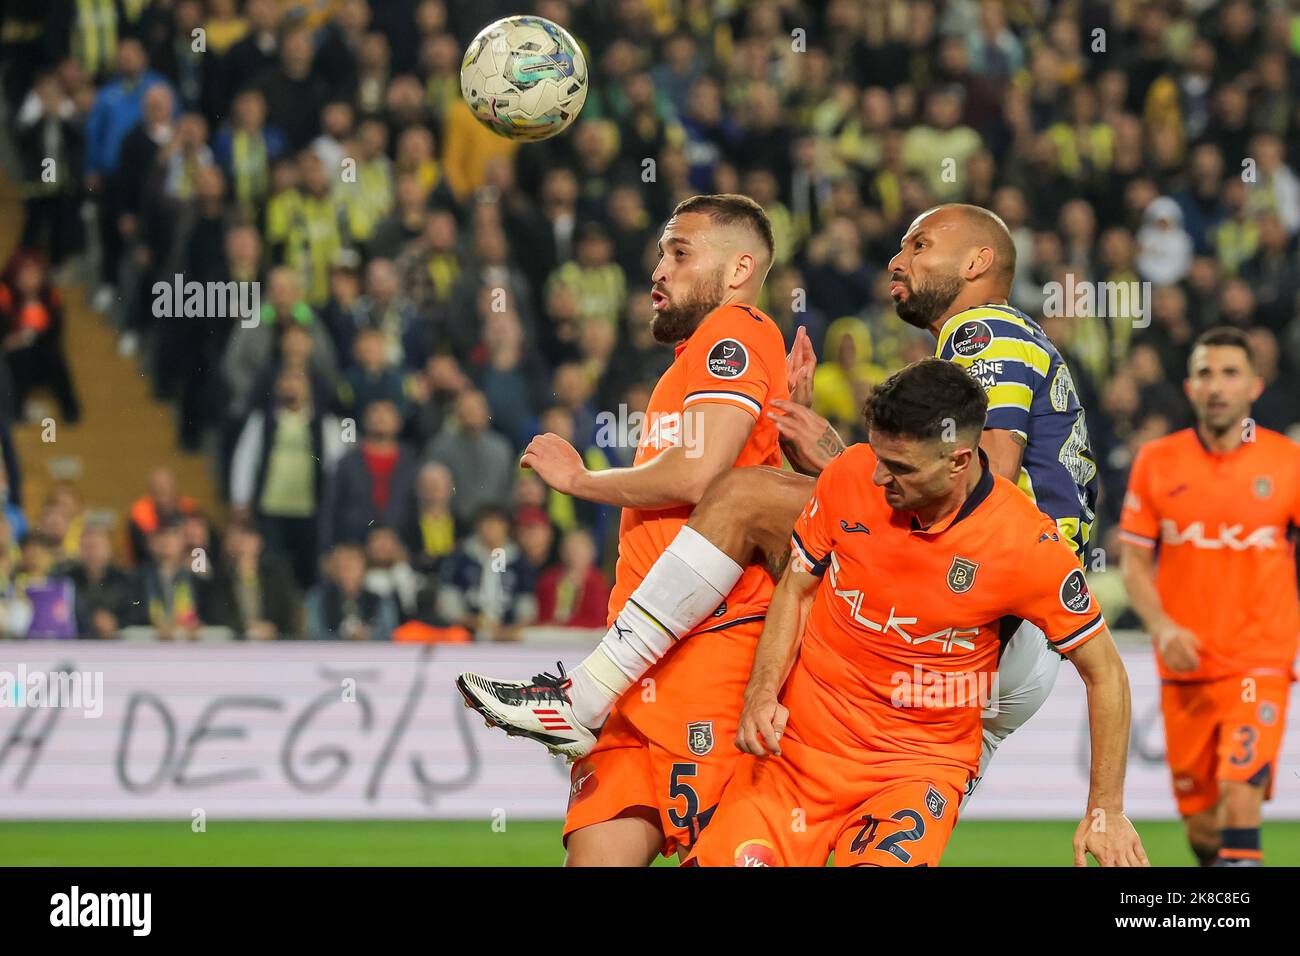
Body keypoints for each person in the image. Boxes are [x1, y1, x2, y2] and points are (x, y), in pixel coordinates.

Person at [460, 203, 1100, 835]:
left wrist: (833, 457)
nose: (896, 261)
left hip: (980, 595)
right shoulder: (1019, 345)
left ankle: (584, 694)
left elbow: (974, 482)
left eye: (920, 246)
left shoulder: (981, 332)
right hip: (1012, 651)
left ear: (978, 261)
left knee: (744, 498)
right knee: (885, 823)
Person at [686, 359, 1144, 866]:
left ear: (958, 461)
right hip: (794, 753)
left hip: (914, 772)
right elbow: (795, 590)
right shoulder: (850, 475)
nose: (879, 476)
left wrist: (1106, 808)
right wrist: (761, 692)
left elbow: (1105, 672)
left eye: (900, 467)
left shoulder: (1025, 545)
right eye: (879, 456)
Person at [459, 194, 789, 865]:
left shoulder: (741, 330)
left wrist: (583, 481)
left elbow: (699, 476)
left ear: (738, 270)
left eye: (680, 252)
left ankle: (576, 697)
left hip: (711, 657)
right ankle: (577, 699)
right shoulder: (688, 367)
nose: (658, 271)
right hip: (631, 669)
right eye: (662, 253)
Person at [1120, 327, 1300, 867]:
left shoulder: (1287, 461)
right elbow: (1133, 562)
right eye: (1206, 374)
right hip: (1186, 664)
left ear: (1254, 386)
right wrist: (1162, 627)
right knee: (1202, 824)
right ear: (1189, 386)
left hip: (1259, 660)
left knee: (1239, 793)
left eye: (1229, 374)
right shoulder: (1157, 461)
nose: (1217, 386)